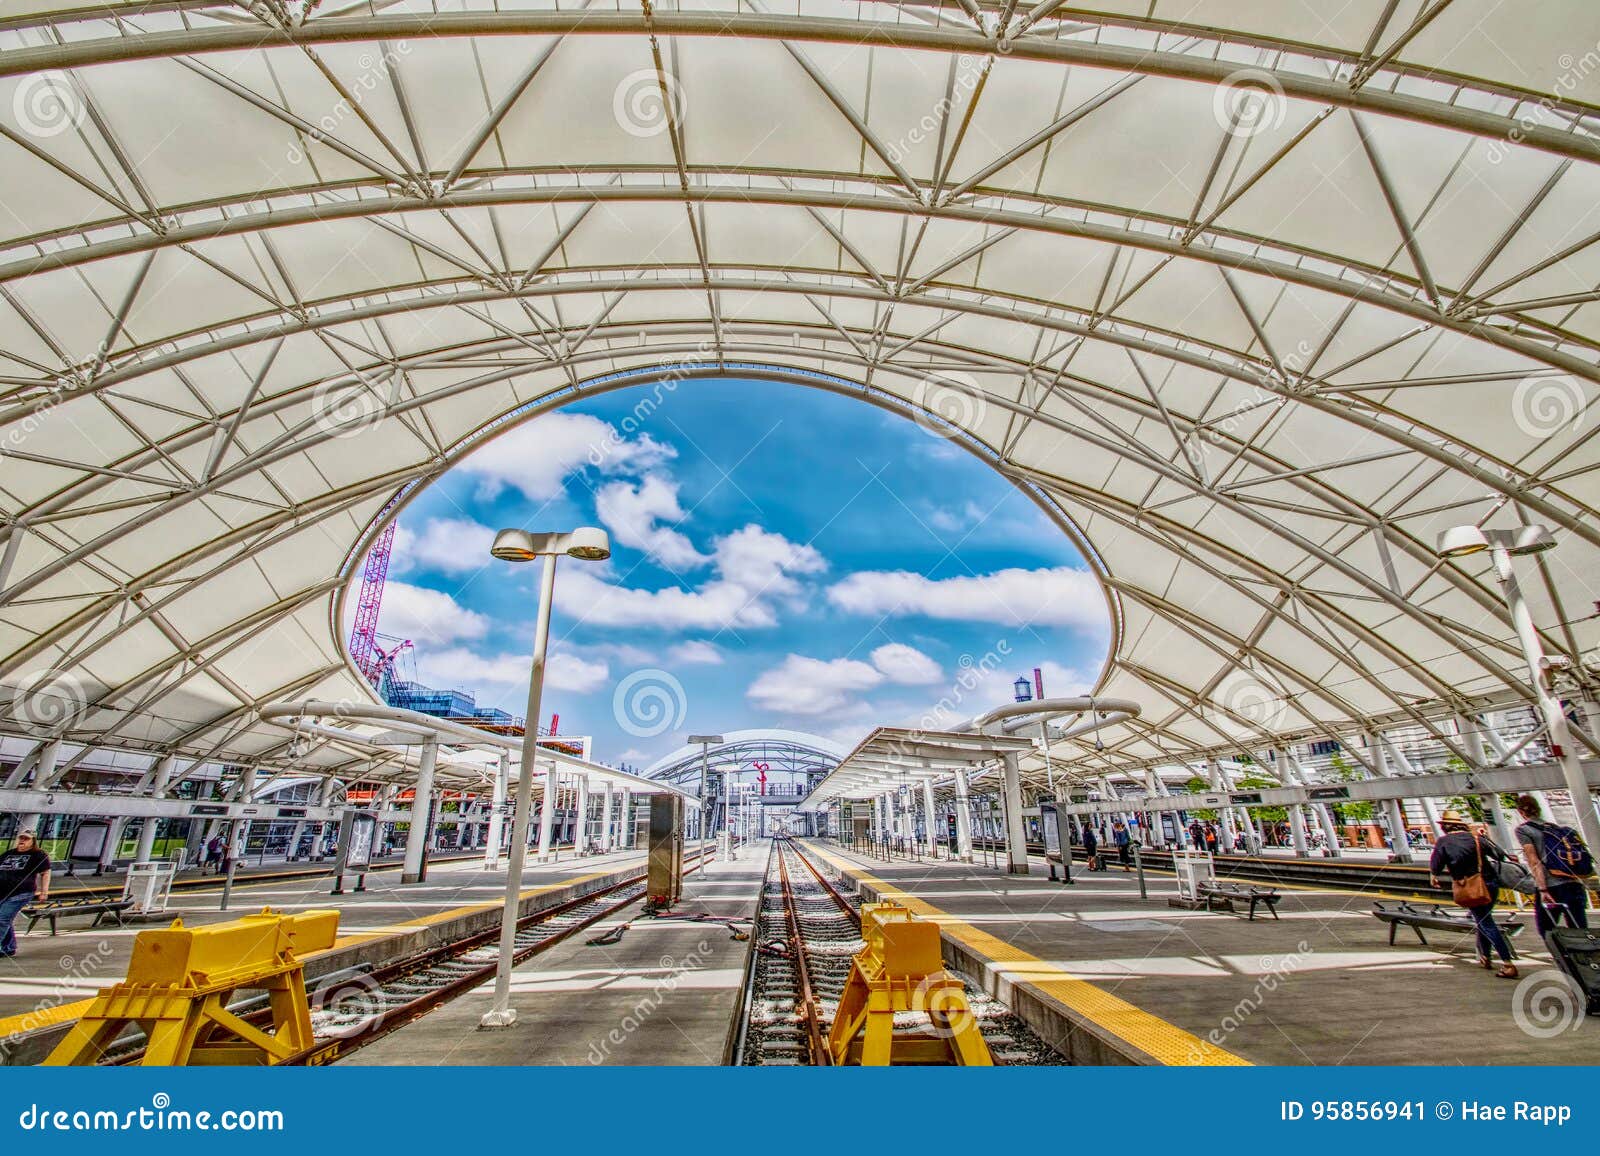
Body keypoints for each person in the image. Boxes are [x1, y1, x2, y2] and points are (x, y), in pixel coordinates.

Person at [1429, 809, 1517, 978]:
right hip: (1490, 883)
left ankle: (1507, 963)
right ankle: (1485, 956)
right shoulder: (1477, 838)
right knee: (1483, 919)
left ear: (1445, 827)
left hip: (1471, 886)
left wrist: (1434, 877)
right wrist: (1485, 838)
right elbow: (1500, 855)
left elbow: (1435, 867)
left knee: (1486, 923)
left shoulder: (1444, 842)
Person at [1513, 794, 1592, 936]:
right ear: (1538, 809)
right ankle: (1582, 956)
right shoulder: (1557, 829)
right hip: (1574, 884)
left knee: (1546, 929)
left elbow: (1533, 860)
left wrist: (1543, 889)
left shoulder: (1523, 830)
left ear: (1521, 812)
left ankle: (1563, 957)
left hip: (1551, 886)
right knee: (1579, 928)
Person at [0, 829, 52, 958]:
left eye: (26, 839)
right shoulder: (9, 854)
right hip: (2, 892)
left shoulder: (38, 855)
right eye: (21, 838)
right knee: (5, 919)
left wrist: (44, 892)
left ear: (33, 841)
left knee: (2, 918)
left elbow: (45, 873)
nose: (22, 841)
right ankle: (9, 947)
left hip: (21, 892)